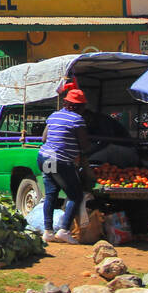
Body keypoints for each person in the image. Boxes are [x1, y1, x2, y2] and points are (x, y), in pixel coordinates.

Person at [37, 88, 92, 244]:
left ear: (66, 103)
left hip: (45, 158)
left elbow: (44, 138)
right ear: (80, 106)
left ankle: (48, 232)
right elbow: (84, 145)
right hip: (59, 161)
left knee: (51, 193)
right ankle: (64, 230)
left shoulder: (54, 115)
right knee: (76, 195)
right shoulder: (77, 120)